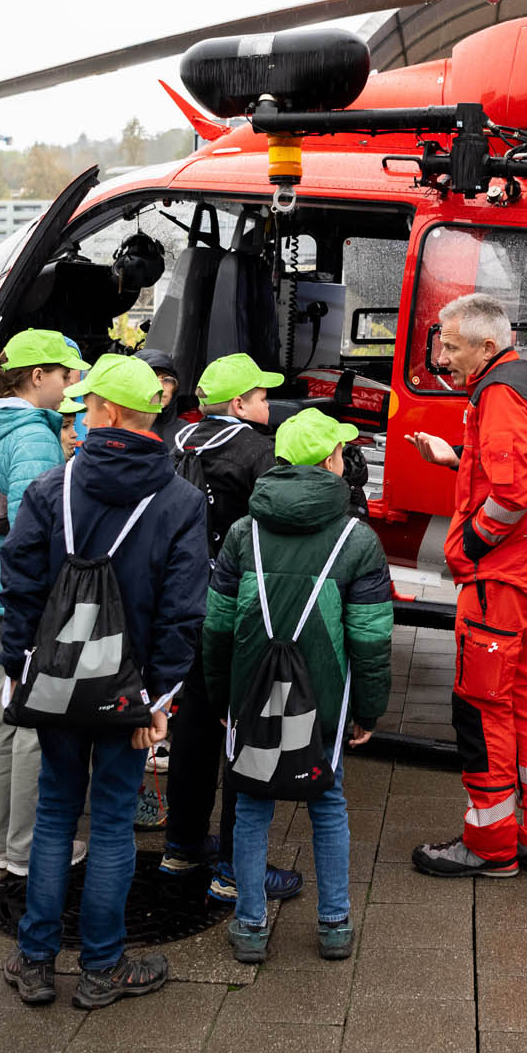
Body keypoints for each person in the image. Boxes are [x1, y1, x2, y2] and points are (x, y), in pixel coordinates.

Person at [0, 354, 208, 1010]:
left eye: (88, 406)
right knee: (115, 823)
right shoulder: (179, 499)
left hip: (56, 686)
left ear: (109, 413)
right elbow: (182, 612)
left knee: (56, 812)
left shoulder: (52, 488)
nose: (81, 414)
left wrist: (19, 671)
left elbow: (20, 590)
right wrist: (160, 699)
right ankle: (102, 966)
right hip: (128, 693)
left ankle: (35, 959)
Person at [205, 409, 393, 962]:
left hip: (252, 687)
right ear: (330, 462)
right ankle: (334, 924)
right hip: (327, 692)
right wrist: (370, 709)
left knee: (251, 802)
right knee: (328, 801)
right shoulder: (357, 539)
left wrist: (223, 698)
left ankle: (250, 925)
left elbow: (217, 627)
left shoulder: (244, 532)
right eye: (340, 453)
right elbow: (370, 638)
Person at [405, 294, 527, 879]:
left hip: (498, 581)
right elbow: (519, 475)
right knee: (526, 702)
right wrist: (458, 459)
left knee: (481, 710)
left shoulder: (497, 395)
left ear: (486, 345)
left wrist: (468, 549)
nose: (442, 359)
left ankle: (491, 846)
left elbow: (512, 496)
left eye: (450, 346)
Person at [160, 352, 304, 904]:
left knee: (193, 727)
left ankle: (181, 848)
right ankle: (233, 869)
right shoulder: (258, 452)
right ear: (240, 404)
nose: (270, 405)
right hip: (239, 609)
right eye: (263, 397)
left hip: (182, 603)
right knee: (244, 733)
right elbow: (277, 527)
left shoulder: (176, 443)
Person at [0, 328, 88, 877]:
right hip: (21, 597)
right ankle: (26, 847)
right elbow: (34, 533)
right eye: (64, 374)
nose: (70, 386)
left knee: (0, 713)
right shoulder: (32, 435)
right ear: (38, 376)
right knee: (32, 718)